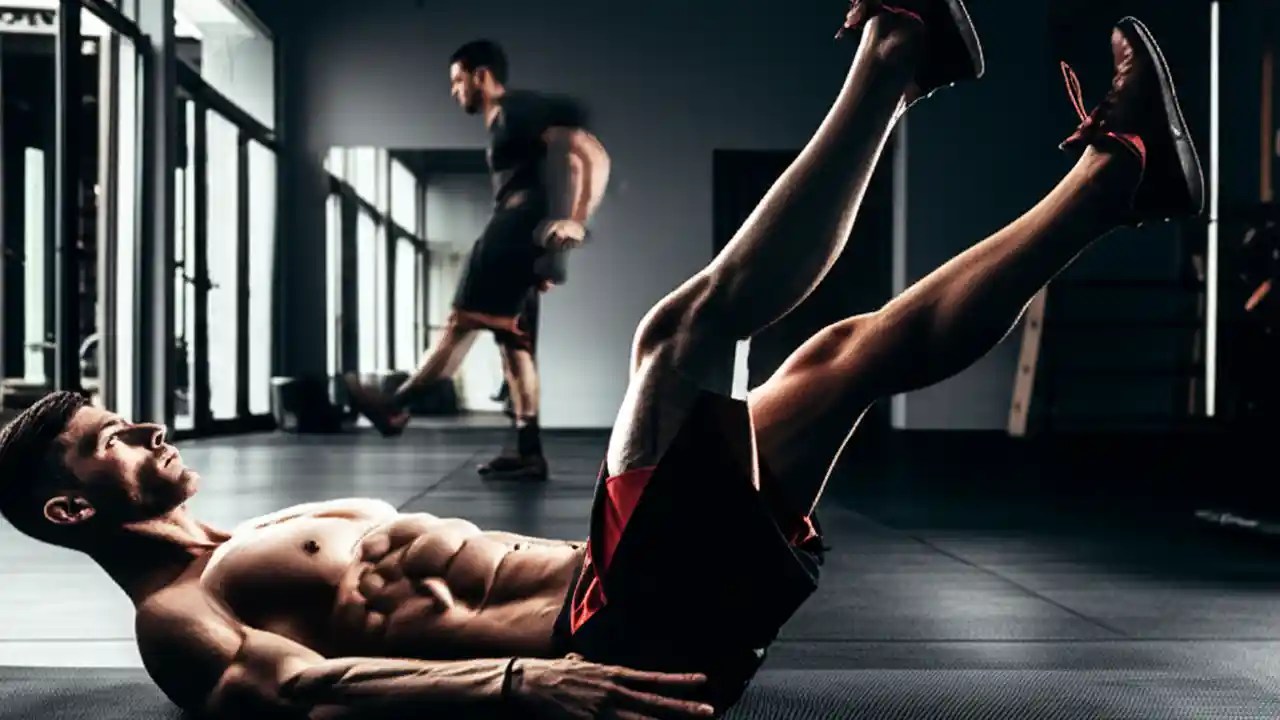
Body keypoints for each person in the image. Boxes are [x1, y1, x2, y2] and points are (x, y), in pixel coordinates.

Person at [0, 2, 1203, 718]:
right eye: (109, 439)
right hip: (605, 644)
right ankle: (897, 55)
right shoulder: (175, 609)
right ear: (68, 503)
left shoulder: (243, 546)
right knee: (676, 339)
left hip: (633, 590)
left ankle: (1114, 180)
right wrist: (522, 690)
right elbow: (283, 695)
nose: (145, 428)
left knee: (838, 355)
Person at [345, 39, 612, 482]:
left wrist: (573, 219)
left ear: (481, 75)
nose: (454, 92)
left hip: (511, 232)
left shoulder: (515, 110)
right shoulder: (503, 122)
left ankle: (394, 406)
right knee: (515, 344)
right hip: (525, 237)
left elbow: (588, 153)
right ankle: (530, 451)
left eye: (457, 80)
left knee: (460, 325)